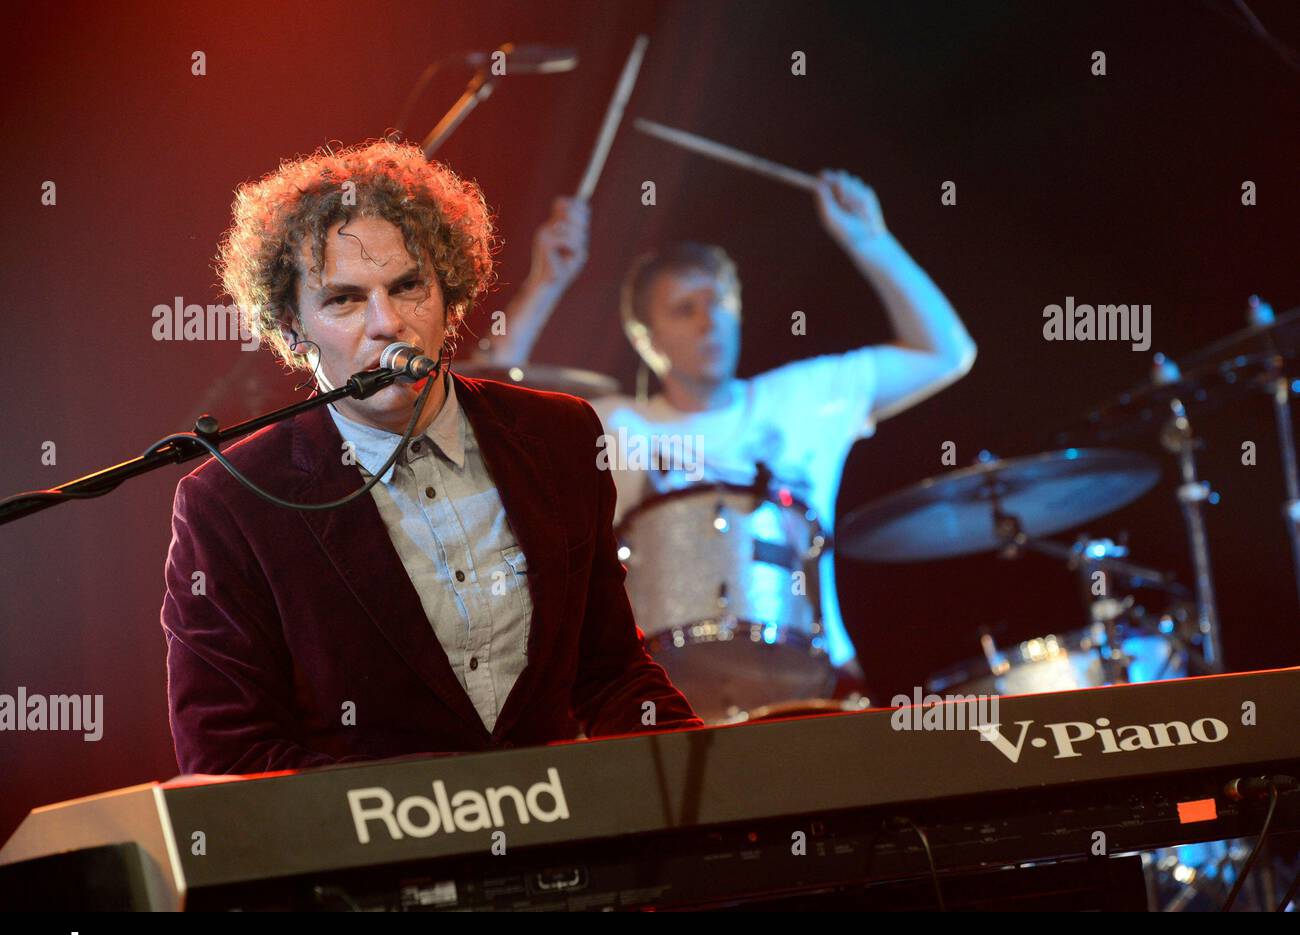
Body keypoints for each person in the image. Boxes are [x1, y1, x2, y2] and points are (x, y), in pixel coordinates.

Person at [160, 139, 701, 776]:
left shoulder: (557, 436)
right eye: (345, 299)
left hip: (556, 845)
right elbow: (229, 752)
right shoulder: (230, 502)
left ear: (451, 297)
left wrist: (717, 781)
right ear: (290, 327)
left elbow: (610, 673)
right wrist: (425, 813)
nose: (387, 321)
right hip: (366, 864)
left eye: (409, 285)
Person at [483, 171, 976, 689]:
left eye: (720, 302)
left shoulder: (802, 397)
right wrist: (545, 283)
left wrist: (871, 241)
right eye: (684, 310)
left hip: (816, 687)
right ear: (645, 340)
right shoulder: (615, 425)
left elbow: (946, 352)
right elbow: (486, 419)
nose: (708, 320)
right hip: (660, 696)